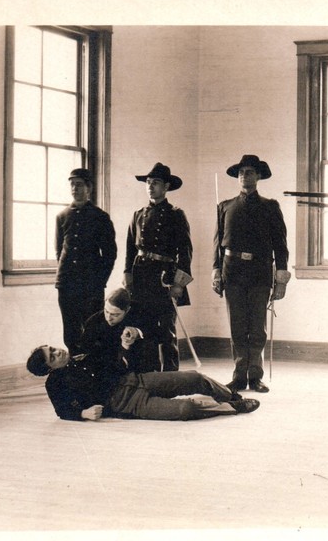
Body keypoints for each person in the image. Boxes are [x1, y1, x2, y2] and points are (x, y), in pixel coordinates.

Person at [26, 342, 259, 422]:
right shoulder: (54, 384)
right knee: (185, 408)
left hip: (138, 380)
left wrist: (126, 348)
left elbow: (118, 364)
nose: (58, 352)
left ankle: (230, 396)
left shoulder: (81, 356)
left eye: (54, 348)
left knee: (194, 378)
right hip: (128, 404)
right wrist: (83, 414)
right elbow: (62, 410)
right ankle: (231, 408)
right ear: (48, 369)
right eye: (53, 356)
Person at [212, 154, 290, 393]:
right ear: (238, 177)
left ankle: (255, 376)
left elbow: (281, 245)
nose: (245, 176)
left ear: (258, 176)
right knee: (237, 327)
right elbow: (217, 245)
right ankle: (238, 376)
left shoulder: (270, 207)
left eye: (250, 172)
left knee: (257, 328)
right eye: (241, 172)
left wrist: (281, 280)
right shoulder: (224, 206)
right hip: (232, 272)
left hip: (259, 273)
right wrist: (216, 273)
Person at [124, 162, 193, 371]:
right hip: (141, 275)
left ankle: (171, 376)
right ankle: (148, 373)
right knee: (143, 326)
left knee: (166, 329)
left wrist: (179, 284)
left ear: (166, 187)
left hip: (164, 278)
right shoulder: (138, 214)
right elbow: (130, 248)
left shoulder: (176, 214)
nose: (151, 186)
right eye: (148, 182)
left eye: (156, 183)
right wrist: (127, 273)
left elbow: (186, 251)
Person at [55, 168, 117, 355]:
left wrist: (98, 281)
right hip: (66, 284)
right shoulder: (62, 216)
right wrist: (65, 276)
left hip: (90, 285)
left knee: (93, 329)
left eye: (79, 184)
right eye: (72, 184)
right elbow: (59, 251)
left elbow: (109, 254)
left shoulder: (100, 217)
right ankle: (75, 371)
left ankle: (94, 373)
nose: (75, 188)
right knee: (70, 331)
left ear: (89, 187)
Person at [80, 287, 160, 376]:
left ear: (127, 310)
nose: (108, 318)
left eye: (115, 314)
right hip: (107, 368)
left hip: (137, 368)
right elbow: (86, 350)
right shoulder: (93, 322)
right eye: (106, 311)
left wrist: (137, 332)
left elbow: (157, 333)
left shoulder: (140, 314)